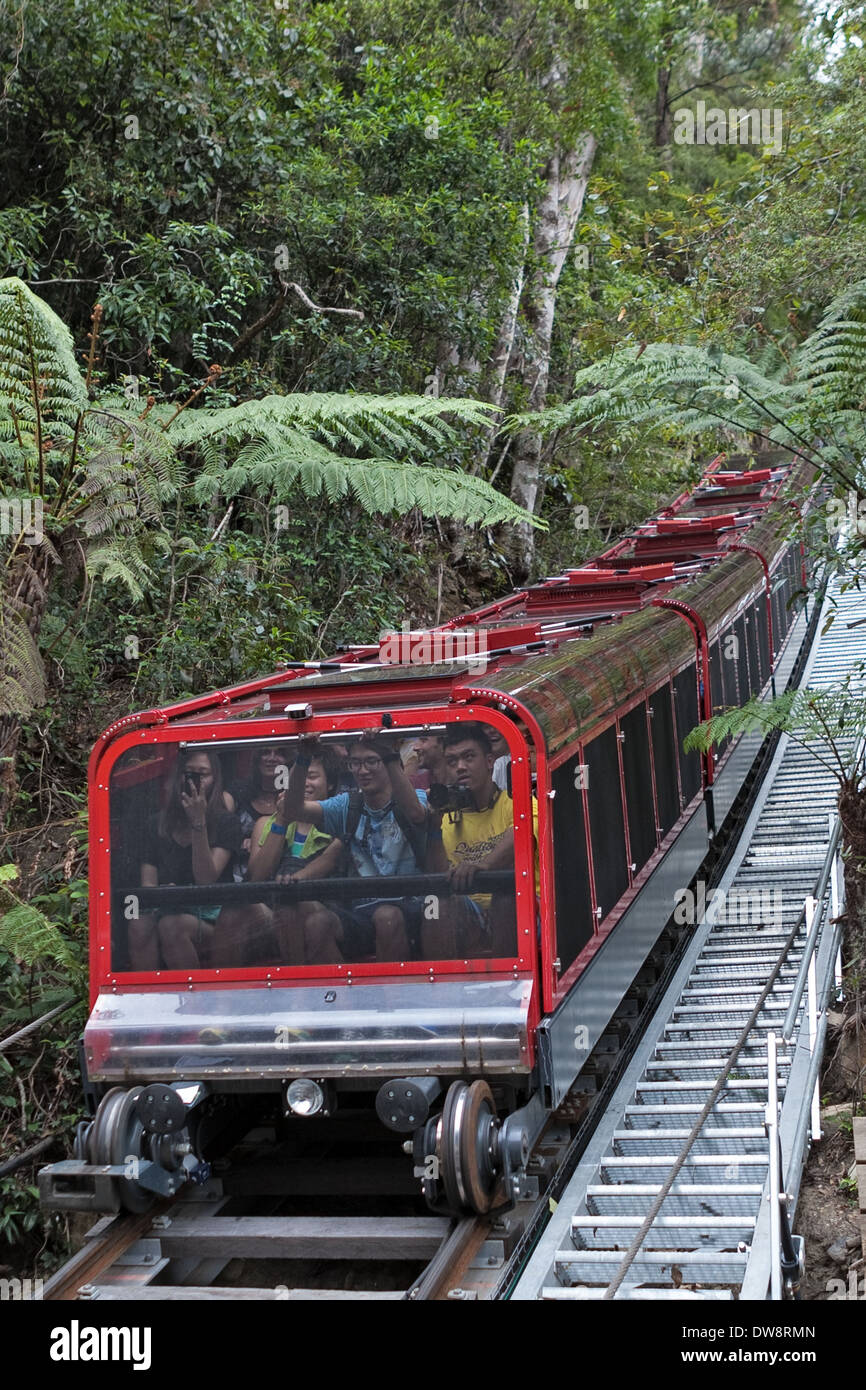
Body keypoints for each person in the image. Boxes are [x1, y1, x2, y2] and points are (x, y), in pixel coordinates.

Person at [277, 732, 429, 961]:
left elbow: (416, 814)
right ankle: (339, 995)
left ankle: (391, 996)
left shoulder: (415, 797)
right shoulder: (348, 805)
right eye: (355, 763)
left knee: (386, 916)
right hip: (362, 913)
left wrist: (388, 753)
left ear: (389, 762)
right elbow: (292, 810)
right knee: (318, 923)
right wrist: (303, 758)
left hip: (414, 909)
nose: (362, 770)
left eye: (371, 761)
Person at [425, 723, 535, 958]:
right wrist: (433, 829)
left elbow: (521, 834)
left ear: (489, 761)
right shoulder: (445, 818)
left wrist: (482, 865)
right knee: (437, 904)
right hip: (468, 914)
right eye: (452, 761)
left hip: (523, 912)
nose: (460, 767)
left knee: (506, 899)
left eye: (469, 757)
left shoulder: (517, 805)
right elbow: (439, 877)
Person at [132, 750, 242, 970]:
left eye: (203, 774)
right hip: (167, 906)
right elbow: (148, 884)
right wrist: (164, 894)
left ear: (215, 779)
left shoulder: (227, 823)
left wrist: (198, 823)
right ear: (178, 777)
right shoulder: (156, 824)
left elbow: (206, 879)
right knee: (139, 924)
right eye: (189, 774)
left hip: (214, 919)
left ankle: (196, 1001)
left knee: (172, 926)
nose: (195, 781)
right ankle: (144, 997)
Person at [248, 746, 345, 964]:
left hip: (326, 909)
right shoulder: (266, 822)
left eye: (311, 777)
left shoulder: (340, 822)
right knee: (236, 910)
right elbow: (256, 878)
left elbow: (328, 863)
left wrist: (293, 881)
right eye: (299, 778)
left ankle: (296, 983)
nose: (303, 784)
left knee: (291, 904)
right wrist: (283, 820)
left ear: (330, 784)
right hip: (272, 912)